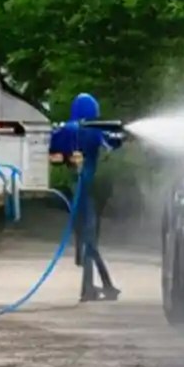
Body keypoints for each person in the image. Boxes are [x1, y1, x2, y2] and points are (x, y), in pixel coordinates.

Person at [49, 92, 122, 302]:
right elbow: (112, 144)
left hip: (74, 187)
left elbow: (53, 149)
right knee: (90, 239)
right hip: (88, 188)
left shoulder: (65, 130)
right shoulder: (94, 131)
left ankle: (93, 286)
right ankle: (96, 287)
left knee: (86, 238)